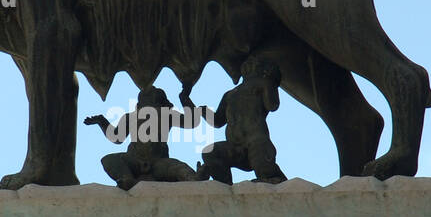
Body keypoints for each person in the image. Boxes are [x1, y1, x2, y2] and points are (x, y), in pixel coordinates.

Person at [85, 86, 204, 190]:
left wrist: (184, 97)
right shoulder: (131, 117)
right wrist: (102, 122)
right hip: (134, 161)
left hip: (158, 162)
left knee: (177, 167)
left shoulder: (166, 114)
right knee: (109, 160)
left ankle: (194, 178)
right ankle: (127, 179)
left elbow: (192, 121)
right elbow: (116, 137)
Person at [197, 57, 286, 185]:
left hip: (257, 142)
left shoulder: (263, 84)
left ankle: (275, 179)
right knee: (210, 152)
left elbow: (272, 105)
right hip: (235, 147)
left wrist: (268, 85)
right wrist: (203, 111)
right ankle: (225, 188)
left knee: (266, 171)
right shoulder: (229, 94)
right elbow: (218, 121)